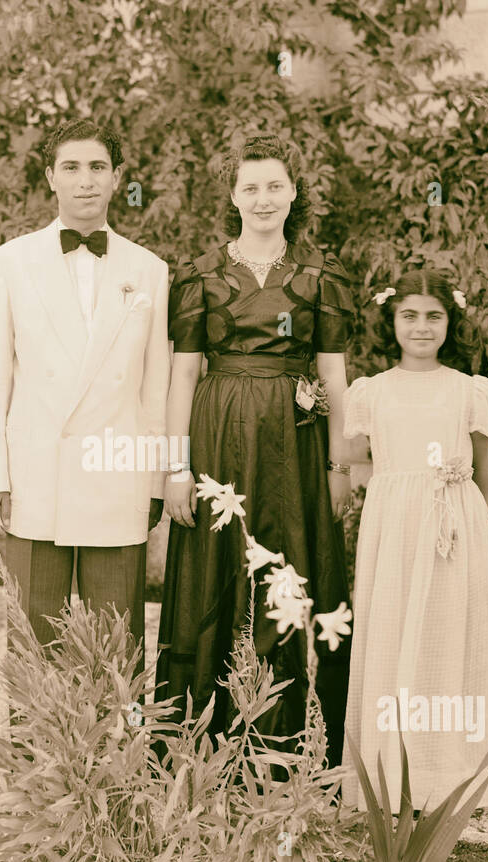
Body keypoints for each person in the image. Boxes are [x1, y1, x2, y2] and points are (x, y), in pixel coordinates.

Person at [156, 134, 354, 767]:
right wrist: (177, 469)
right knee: (213, 574)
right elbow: (182, 375)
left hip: (294, 444)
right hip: (216, 434)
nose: (263, 198)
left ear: (294, 193)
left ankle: (288, 747)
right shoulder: (202, 276)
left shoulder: (323, 274)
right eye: (250, 187)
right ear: (233, 196)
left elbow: (334, 376)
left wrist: (342, 463)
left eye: (275, 186)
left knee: (291, 566)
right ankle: (200, 746)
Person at [0, 119, 170, 653]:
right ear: (50, 177)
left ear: (117, 177)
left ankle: (115, 740)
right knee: (34, 646)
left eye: (98, 168)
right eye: (72, 168)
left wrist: (155, 480)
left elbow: (158, 389)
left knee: (115, 649)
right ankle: (33, 742)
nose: (86, 180)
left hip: (118, 474)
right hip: (37, 474)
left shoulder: (150, 270)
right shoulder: (9, 263)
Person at [341, 269, 488, 812]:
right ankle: (393, 766)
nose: (421, 327)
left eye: (434, 316)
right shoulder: (371, 392)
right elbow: (360, 464)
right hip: (394, 527)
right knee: (394, 631)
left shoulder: (469, 389)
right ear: (391, 321)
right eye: (409, 316)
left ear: (451, 322)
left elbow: (484, 472)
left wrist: (462, 522)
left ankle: (451, 767)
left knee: (452, 635)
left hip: (453, 523)